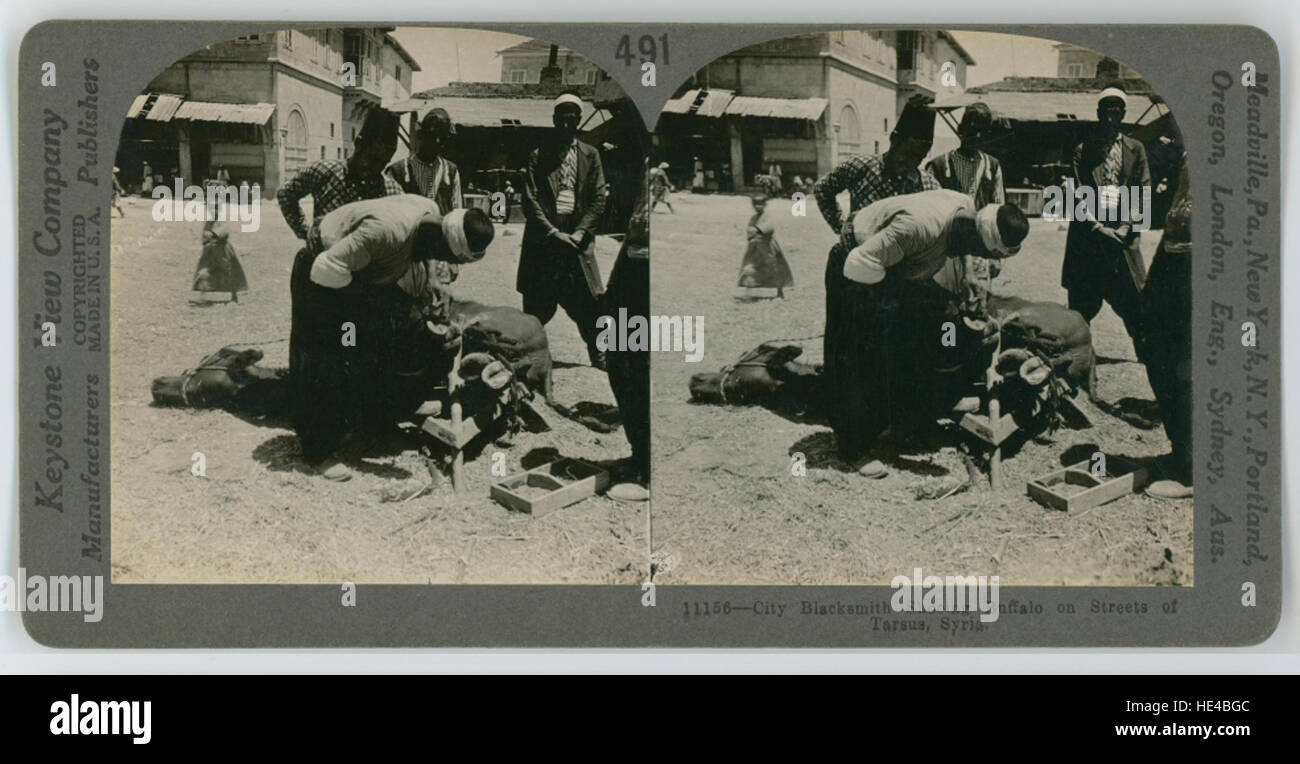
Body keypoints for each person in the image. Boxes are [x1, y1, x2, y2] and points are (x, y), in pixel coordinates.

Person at [290, 194, 494, 481]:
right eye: (447, 258)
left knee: (406, 334)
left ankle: (379, 420)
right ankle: (316, 450)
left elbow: (418, 260)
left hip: (362, 273)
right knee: (332, 355)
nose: (443, 264)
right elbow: (325, 271)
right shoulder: (385, 232)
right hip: (323, 275)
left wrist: (431, 286)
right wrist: (371, 311)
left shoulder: (430, 213)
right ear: (439, 241)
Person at [834, 190, 1029, 478]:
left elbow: (952, 251)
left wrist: (967, 276)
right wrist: (893, 305)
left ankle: (915, 418)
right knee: (867, 356)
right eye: (983, 254)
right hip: (858, 268)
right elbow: (857, 264)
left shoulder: (966, 212)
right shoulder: (919, 227)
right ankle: (853, 448)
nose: (978, 257)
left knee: (931, 334)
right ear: (975, 238)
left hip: (895, 268)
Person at [814, 96, 941, 466]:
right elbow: (823, 189)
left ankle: (884, 429)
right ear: (894, 139)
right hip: (850, 270)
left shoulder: (926, 184)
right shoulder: (863, 166)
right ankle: (851, 443)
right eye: (906, 152)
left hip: (891, 279)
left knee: (885, 352)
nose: (909, 162)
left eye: (919, 155)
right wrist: (842, 229)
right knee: (848, 352)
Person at [518, 92, 608, 370]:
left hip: (577, 241)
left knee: (589, 303)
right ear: (555, 120)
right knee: (536, 306)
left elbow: (598, 197)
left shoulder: (591, 155)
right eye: (563, 118)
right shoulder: (538, 155)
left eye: (573, 118)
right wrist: (552, 233)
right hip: (545, 240)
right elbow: (529, 199)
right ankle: (526, 355)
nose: (568, 124)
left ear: (580, 121)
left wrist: (580, 232)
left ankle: (600, 354)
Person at [1060, 85, 1151, 346]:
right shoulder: (1082, 150)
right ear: (1099, 113)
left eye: (1117, 112)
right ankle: (1077, 351)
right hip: (1090, 237)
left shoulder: (1136, 149)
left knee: (1134, 299)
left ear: (1123, 114)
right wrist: (1098, 227)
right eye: (1106, 112)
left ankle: (1145, 353)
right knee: (1081, 302)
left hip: (1122, 238)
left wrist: (1125, 226)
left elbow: (1143, 189)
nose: (1111, 118)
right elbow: (1077, 192)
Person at [1138, 152, 1192, 499]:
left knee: (1185, 364)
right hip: (1173, 256)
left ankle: (1191, 470)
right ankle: (1183, 453)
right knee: (1156, 347)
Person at [276, 108, 404, 243]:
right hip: (324, 261)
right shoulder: (323, 172)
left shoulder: (392, 192)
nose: (376, 168)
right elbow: (285, 194)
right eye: (373, 159)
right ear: (358, 143)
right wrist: (305, 232)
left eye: (384, 162)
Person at [602, 165, 652, 502]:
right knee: (622, 363)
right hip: (630, 269)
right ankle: (640, 455)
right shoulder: (645, 167)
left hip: (647, 273)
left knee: (638, 367)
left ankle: (648, 469)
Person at [926, 102, 1007, 304]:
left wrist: (996, 255)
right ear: (961, 130)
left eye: (981, 131)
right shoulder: (938, 165)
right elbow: (930, 212)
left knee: (975, 306)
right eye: (971, 130)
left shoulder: (992, 166)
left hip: (979, 249)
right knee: (944, 304)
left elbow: (998, 210)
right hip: (946, 249)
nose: (976, 136)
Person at [386, 107, 465, 287]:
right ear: (421, 136)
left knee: (436, 306)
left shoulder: (451, 171)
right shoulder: (398, 171)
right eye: (432, 137)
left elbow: (457, 216)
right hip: (406, 257)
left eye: (441, 139)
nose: (436, 142)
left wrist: (454, 259)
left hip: (440, 257)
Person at [192, 196, 248, 303]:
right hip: (211, 251)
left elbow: (224, 232)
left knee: (228, 271)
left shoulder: (222, 220)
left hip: (223, 250)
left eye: (216, 208)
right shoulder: (209, 222)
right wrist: (206, 238)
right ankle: (203, 292)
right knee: (205, 270)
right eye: (212, 209)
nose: (214, 211)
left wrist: (213, 235)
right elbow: (205, 234)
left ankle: (234, 295)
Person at [737, 194, 793, 299]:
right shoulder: (753, 218)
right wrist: (751, 234)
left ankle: (779, 291)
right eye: (755, 205)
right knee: (750, 267)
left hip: (768, 247)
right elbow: (749, 230)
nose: (757, 207)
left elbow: (769, 228)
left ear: (765, 205)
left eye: (760, 204)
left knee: (774, 267)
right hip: (755, 247)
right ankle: (748, 289)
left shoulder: (767, 217)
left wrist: (757, 230)